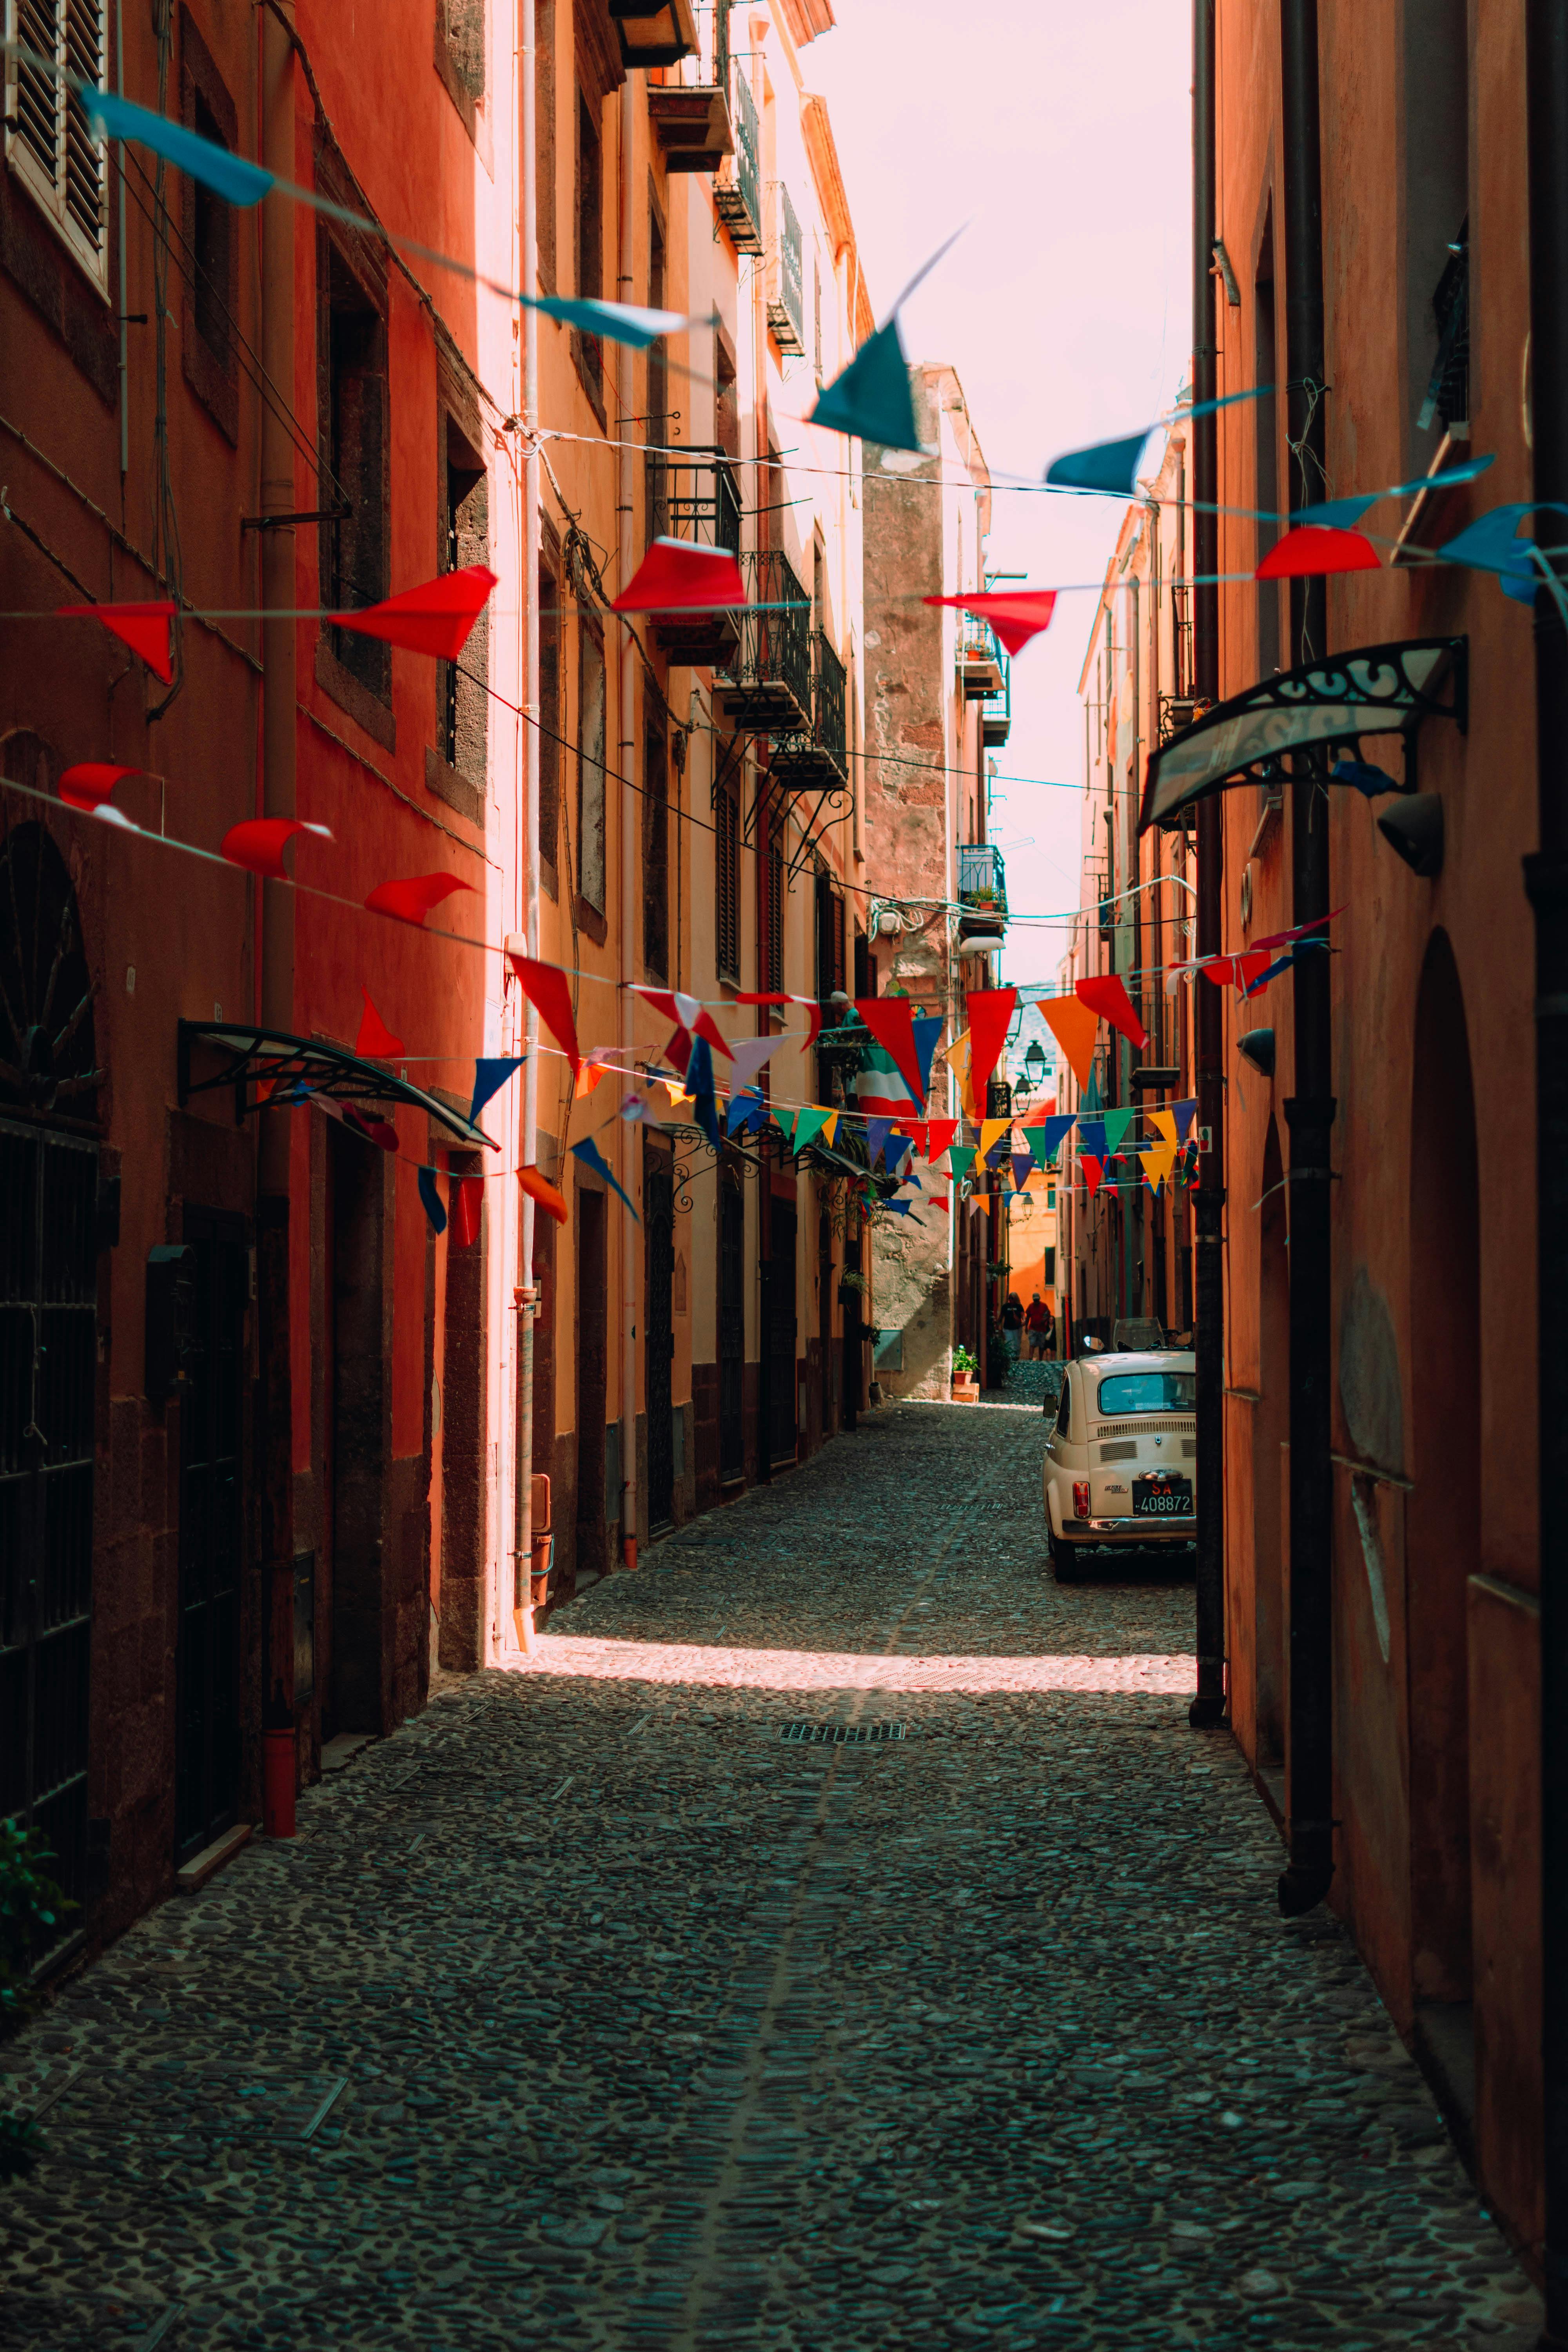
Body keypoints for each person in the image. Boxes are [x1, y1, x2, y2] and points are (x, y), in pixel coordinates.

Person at [1024, 1292, 1054, 1361]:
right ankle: (1030, 1358)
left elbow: (1048, 1315)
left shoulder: (1044, 1306)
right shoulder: (1031, 1306)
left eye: (1037, 1300)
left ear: (1039, 1299)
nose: (1036, 1302)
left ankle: (1040, 1359)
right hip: (1033, 1328)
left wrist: (1044, 1319)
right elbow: (1028, 1317)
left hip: (1042, 1329)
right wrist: (1026, 1327)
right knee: (1032, 1344)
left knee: (1042, 1345)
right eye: (1035, 1300)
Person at [1001, 1290, 1024, 1361]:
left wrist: (1024, 1321)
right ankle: (1011, 1357)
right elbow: (1001, 1316)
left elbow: (1023, 1316)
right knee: (1009, 1342)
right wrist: (998, 1324)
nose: (1010, 1300)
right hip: (1007, 1328)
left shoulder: (1019, 1307)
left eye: (1012, 1298)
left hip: (1017, 1328)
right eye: (1009, 1298)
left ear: (1016, 1299)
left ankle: (1017, 1356)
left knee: (1017, 1343)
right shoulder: (1005, 1307)